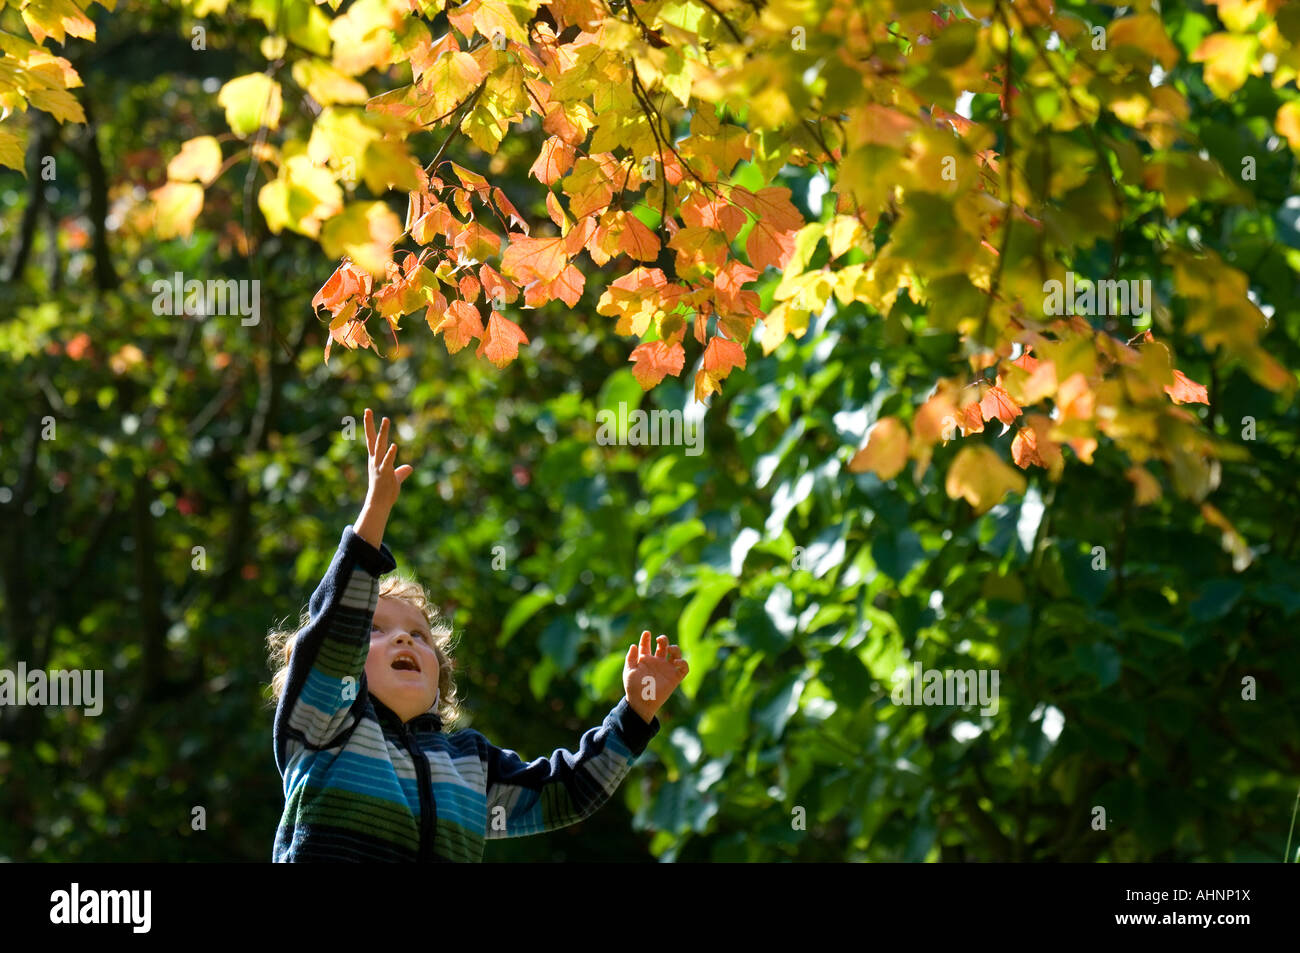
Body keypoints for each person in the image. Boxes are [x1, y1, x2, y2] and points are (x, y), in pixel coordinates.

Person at [267, 408, 689, 861]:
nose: (405, 640)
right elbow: (334, 635)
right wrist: (375, 513)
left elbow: (566, 793)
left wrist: (635, 711)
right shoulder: (326, 725)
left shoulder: (469, 767)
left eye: (419, 636)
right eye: (376, 629)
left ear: (439, 680)